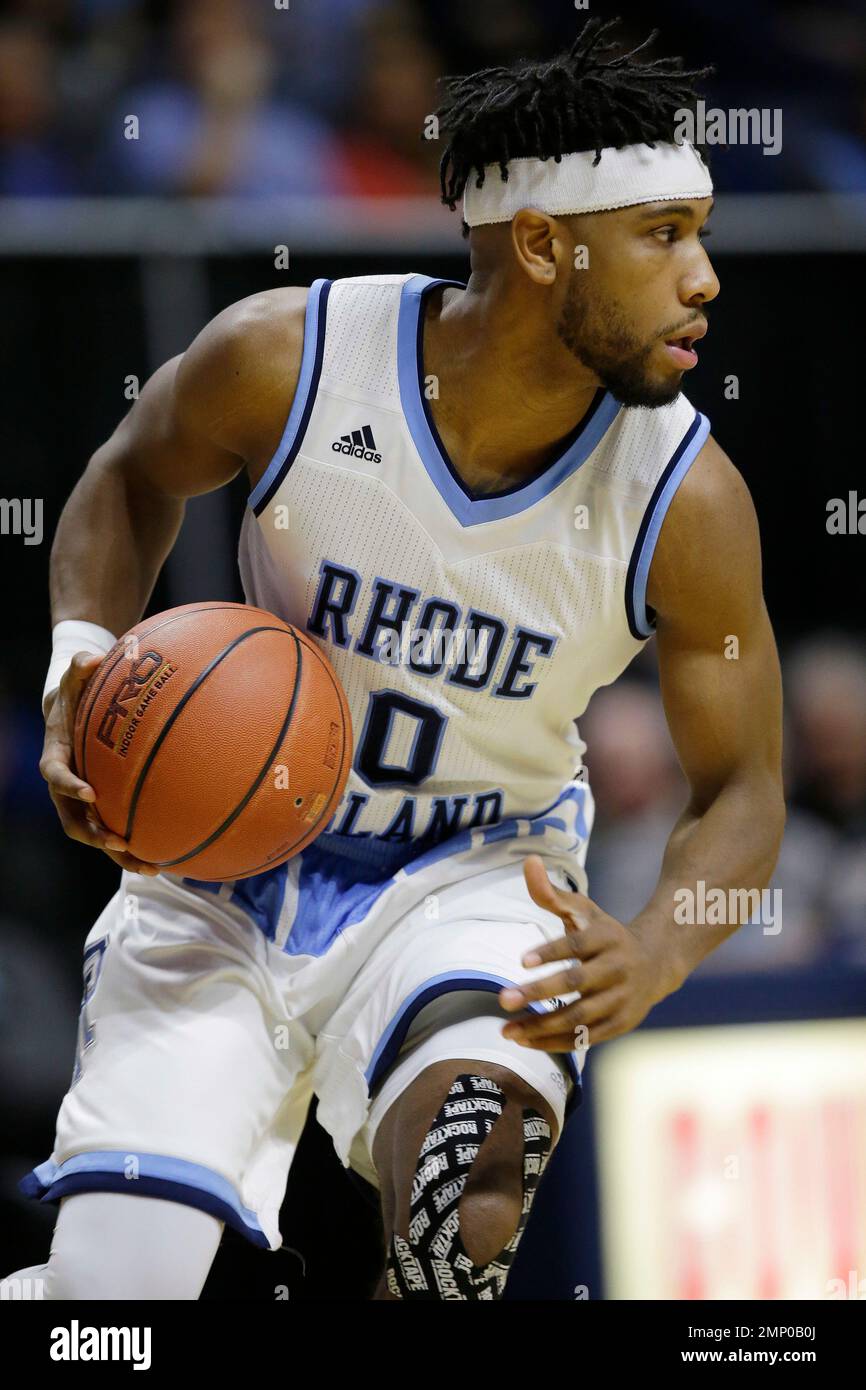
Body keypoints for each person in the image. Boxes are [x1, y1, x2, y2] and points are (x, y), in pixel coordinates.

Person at [11, 18, 785, 1301]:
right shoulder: (288, 357)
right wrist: (81, 662)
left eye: (698, 232)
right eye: (662, 236)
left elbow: (744, 787)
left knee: (466, 1193)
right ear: (540, 245)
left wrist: (656, 945)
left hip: (474, 874)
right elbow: (128, 476)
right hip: (218, 859)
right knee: (117, 1303)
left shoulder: (686, 500)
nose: (703, 277)